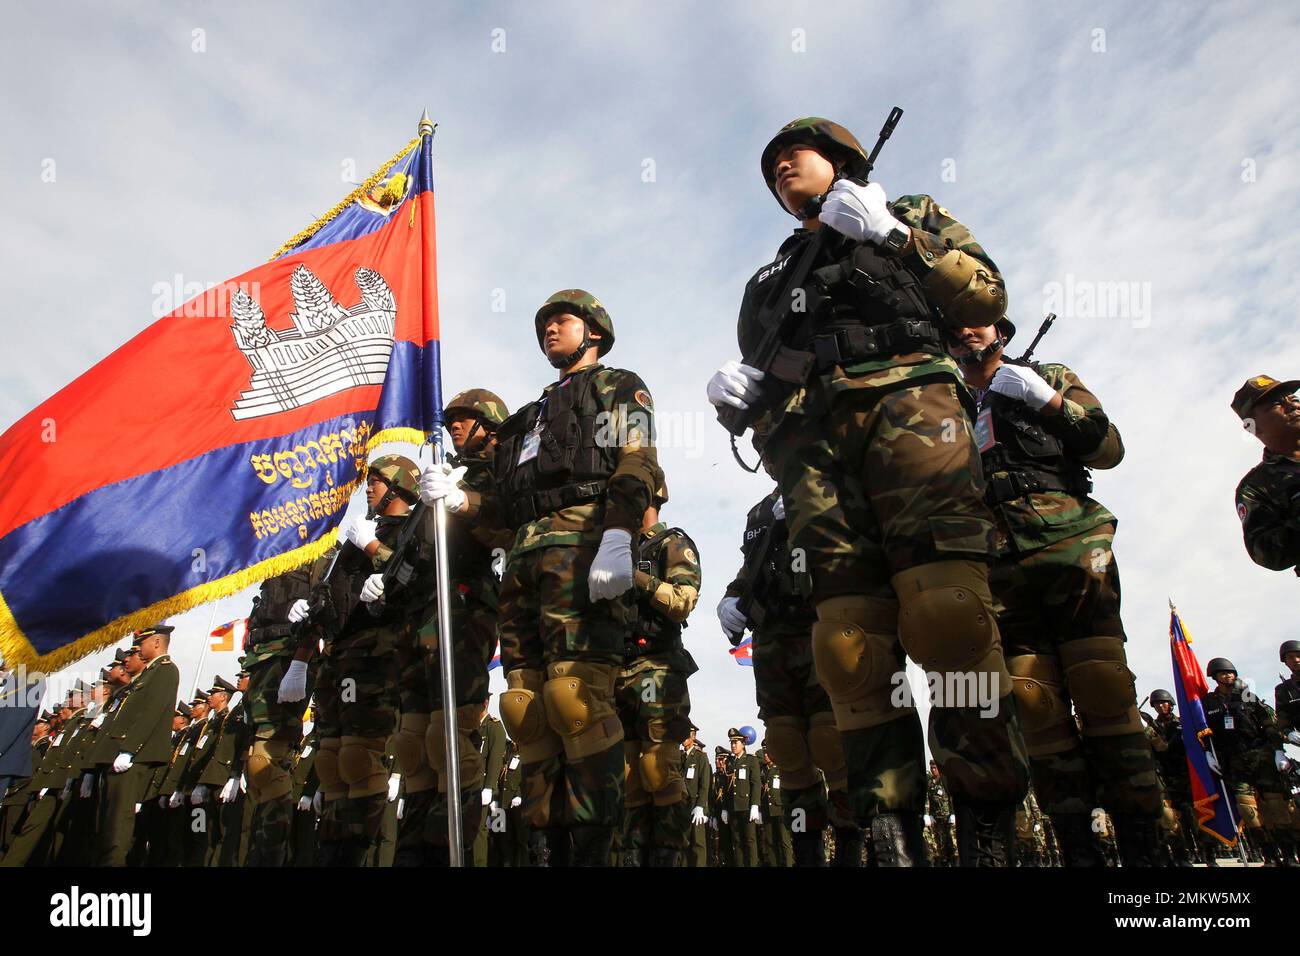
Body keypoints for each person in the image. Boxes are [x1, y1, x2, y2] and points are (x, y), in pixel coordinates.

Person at [707, 116, 1026, 866]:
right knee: (848, 644)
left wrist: (894, 237)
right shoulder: (771, 278)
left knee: (948, 615)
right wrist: (739, 399)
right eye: (772, 167)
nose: (782, 169)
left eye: (795, 155)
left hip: (911, 407)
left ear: (843, 159)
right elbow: (766, 370)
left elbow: (984, 298)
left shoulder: (909, 212)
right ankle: (889, 827)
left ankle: (987, 823)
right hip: (812, 447)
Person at [423, 290, 658, 866]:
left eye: (562, 321)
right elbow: (503, 508)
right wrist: (461, 500)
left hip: (582, 547)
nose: (550, 330)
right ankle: (544, 847)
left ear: (594, 331)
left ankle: (594, 853)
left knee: (576, 699)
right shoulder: (528, 417)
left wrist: (618, 534)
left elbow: (637, 460)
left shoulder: (619, 386)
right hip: (524, 560)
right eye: (544, 324)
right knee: (525, 709)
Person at [946, 317, 1162, 865]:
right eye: (955, 326)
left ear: (999, 329)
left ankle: (1144, 847)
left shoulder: (1047, 375)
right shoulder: (946, 407)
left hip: (1069, 542)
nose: (967, 332)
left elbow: (1107, 449)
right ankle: (1077, 847)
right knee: (1032, 701)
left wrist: (1048, 401)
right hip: (996, 564)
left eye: (977, 321)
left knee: (1103, 686)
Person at [718, 483, 848, 867]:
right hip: (772, 640)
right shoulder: (760, 511)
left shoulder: (828, 484)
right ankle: (807, 855)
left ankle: (850, 847)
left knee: (831, 741)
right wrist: (732, 596)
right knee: (786, 746)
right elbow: (754, 566)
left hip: (819, 626)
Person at [616, 469, 700, 867]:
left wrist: (636, 578)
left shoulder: (672, 543)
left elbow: (683, 601)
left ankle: (668, 857)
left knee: (658, 770)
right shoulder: (615, 549)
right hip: (619, 670)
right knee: (628, 777)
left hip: (657, 667)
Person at [95, 625, 180, 866]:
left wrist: (129, 749)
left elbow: (152, 712)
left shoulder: (166, 670)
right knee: (107, 823)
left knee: (118, 825)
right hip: (121, 754)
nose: (138, 649)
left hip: (134, 757)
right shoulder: (148, 673)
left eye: (142, 643)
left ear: (156, 642)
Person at [1202, 658, 1296, 865]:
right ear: (1215, 677)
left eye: (1231, 672)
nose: (1228, 676)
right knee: (1247, 809)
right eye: (1223, 673)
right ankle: (1269, 856)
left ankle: (1289, 855)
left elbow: (1268, 725)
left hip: (1260, 755)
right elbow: (1204, 731)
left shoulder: (1248, 697)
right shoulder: (1208, 703)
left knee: (1276, 805)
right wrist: (1208, 752)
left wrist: (1278, 751)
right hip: (1233, 760)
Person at [1232, 376, 1300, 572]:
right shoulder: (1256, 487)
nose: (1292, 406)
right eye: (1277, 404)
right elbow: (1266, 553)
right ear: (1251, 426)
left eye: (1294, 399)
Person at [681, 727, 712, 867]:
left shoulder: (700, 757)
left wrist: (700, 806)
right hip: (683, 804)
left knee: (698, 843)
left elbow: (705, 784)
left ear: (693, 737)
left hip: (696, 805)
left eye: (686, 735)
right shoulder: (681, 757)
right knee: (684, 841)